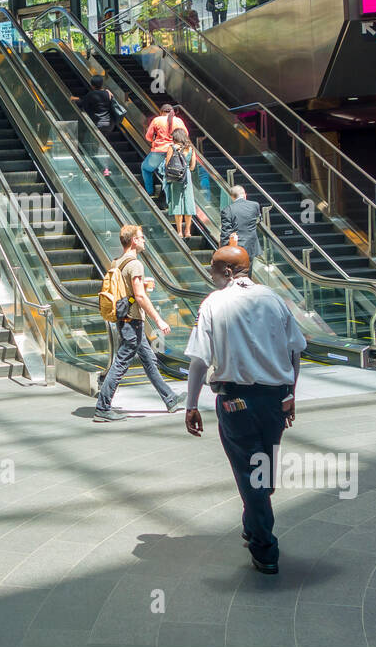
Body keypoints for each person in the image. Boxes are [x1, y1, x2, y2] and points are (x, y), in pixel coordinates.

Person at [183, 243, 306, 575]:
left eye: (212, 269)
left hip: (235, 401)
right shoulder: (274, 300)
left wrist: (191, 404)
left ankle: (265, 549)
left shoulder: (214, 303)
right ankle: (253, 525)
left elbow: (199, 360)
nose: (210, 275)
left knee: (251, 474)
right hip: (276, 400)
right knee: (263, 469)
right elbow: (296, 351)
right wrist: (290, 394)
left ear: (227, 271)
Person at [94, 225, 186, 422]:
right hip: (132, 321)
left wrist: (140, 287)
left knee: (149, 360)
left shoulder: (117, 262)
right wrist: (159, 320)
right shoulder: (135, 264)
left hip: (125, 318)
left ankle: (170, 399)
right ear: (134, 241)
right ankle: (102, 407)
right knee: (121, 363)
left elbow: (126, 292)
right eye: (142, 238)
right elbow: (139, 297)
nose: (144, 241)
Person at [142, 103, 188, 198]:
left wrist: (155, 140)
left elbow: (148, 136)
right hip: (175, 150)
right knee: (169, 172)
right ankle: (168, 196)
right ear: (173, 112)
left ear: (161, 112)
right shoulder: (178, 120)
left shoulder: (157, 120)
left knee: (146, 168)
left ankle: (150, 192)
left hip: (159, 150)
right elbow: (185, 134)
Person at [164, 128, 199, 239]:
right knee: (188, 201)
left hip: (176, 177)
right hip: (187, 176)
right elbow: (193, 167)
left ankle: (179, 231)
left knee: (177, 202)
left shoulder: (172, 148)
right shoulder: (190, 149)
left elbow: (167, 165)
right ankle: (188, 231)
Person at [220, 184, 262, 260]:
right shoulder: (255, 205)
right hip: (251, 246)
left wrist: (223, 249)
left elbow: (226, 233)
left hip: (236, 248)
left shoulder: (227, 210)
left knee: (237, 271)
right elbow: (259, 220)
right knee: (249, 269)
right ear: (244, 195)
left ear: (232, 197)